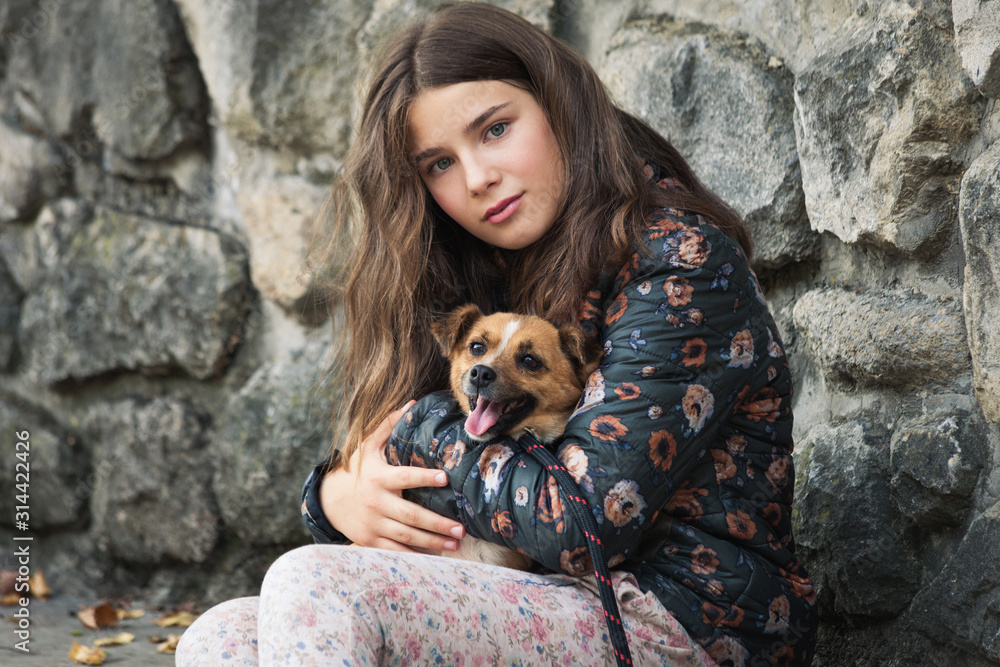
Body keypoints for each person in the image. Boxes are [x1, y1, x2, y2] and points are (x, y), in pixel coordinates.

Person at [176, 3, 817, 665]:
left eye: (496, 129)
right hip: (540, 600)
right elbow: (450, 489)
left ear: (558, 104)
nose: (477, 178)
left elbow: (581, 521)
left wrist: (413, 428)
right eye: (439, 165)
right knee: (222, 635)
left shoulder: (677, 261)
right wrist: (334, 498)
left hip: (678, 625)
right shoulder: (492, 266)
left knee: (312, 583)